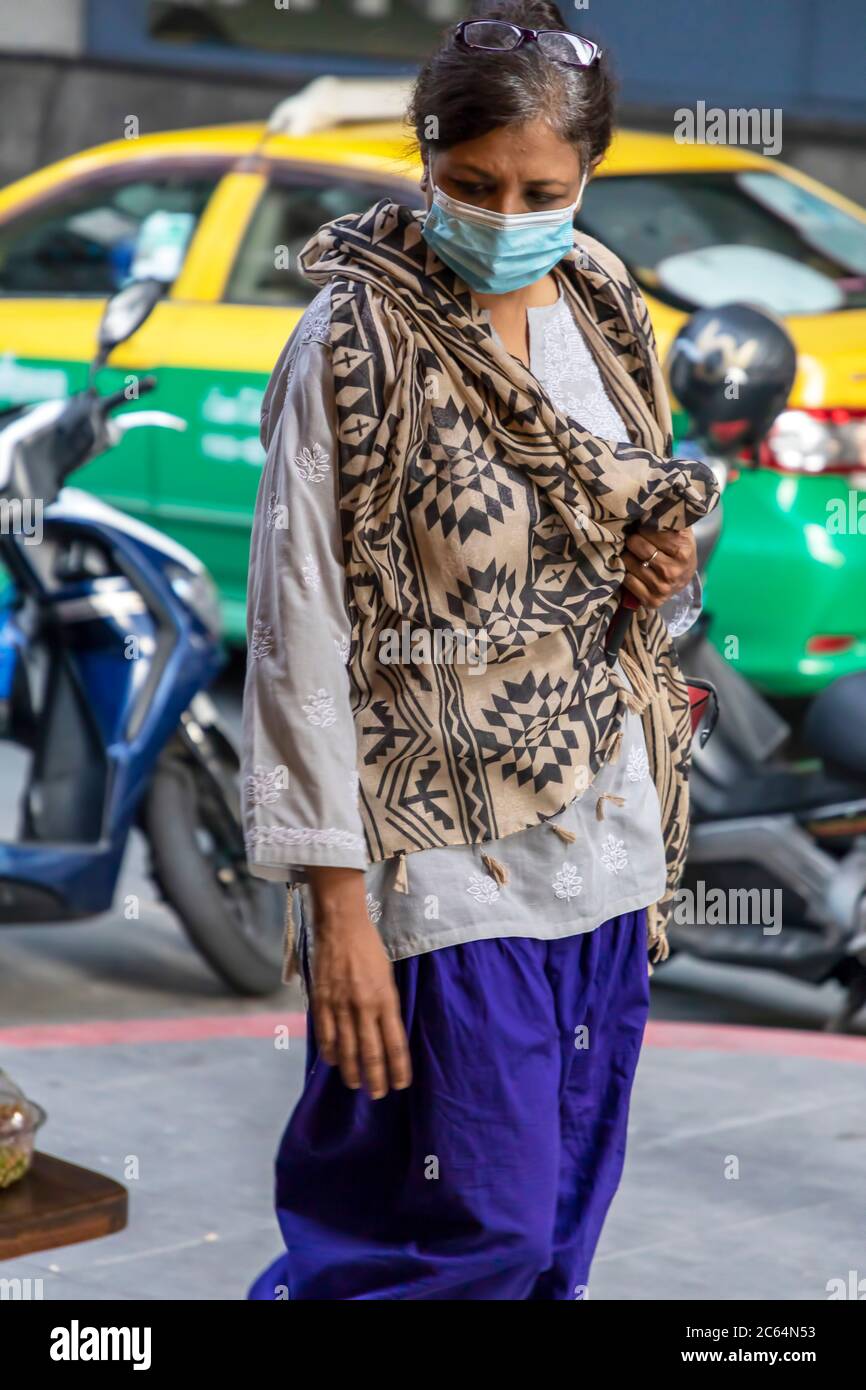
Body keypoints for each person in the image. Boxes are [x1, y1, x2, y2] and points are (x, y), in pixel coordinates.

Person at [242, 1, 719, 1301]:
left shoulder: (602, 303)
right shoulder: (353, 347)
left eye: (540, 190)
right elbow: (297, 636)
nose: (506, 216)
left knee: (555, 1232)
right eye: (472, 184)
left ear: (588, 179)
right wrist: (335, 905)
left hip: (606, 838)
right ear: (424, 157)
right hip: (443, 866)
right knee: (457, 1239)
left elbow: (623, 523)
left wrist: (652, 568)